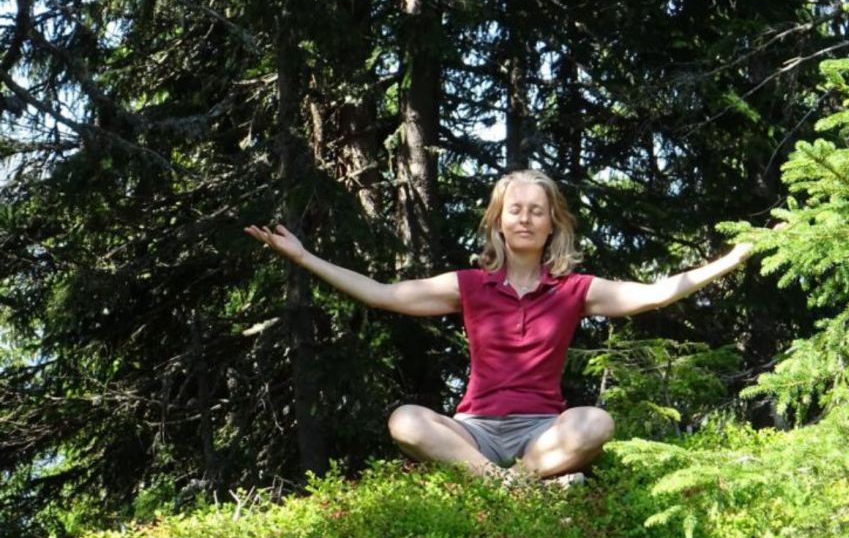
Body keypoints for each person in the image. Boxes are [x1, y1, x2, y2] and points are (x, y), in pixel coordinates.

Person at [245, 169, 752, 485]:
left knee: (597, 423)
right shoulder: (469, 285)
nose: (525, 219)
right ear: (499, 222)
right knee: (405, 420)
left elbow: (656, 292)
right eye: (516, 210)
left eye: (537, 212)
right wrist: (304, 257)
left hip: (543, 434)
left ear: (552, 224)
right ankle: (513, 485)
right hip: (474, 431)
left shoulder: (576, 289)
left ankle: (512, 482)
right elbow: (382, 293)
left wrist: (731, 259)